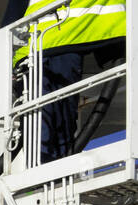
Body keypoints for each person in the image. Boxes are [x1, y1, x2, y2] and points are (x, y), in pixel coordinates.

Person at [7, 0, 127, 162]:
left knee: (48, 130)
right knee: (46, 131)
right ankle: (48, 171)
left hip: (45, 48)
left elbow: (10, 20)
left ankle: (50, 171)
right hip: (42, 50)